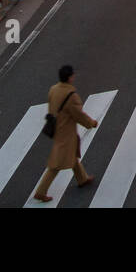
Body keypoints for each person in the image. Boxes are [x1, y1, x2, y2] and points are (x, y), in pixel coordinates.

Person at [33, 65, 99, 202]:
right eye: (73, 75)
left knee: (71, 155)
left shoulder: (53, 89)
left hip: (57, 127)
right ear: (69, 78)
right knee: (56, 164)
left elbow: (51, 107)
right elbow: (78, 115)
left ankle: (82, 179)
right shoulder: (70, 95)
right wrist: (91, 123)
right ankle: (40, 191)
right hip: (66, 131)